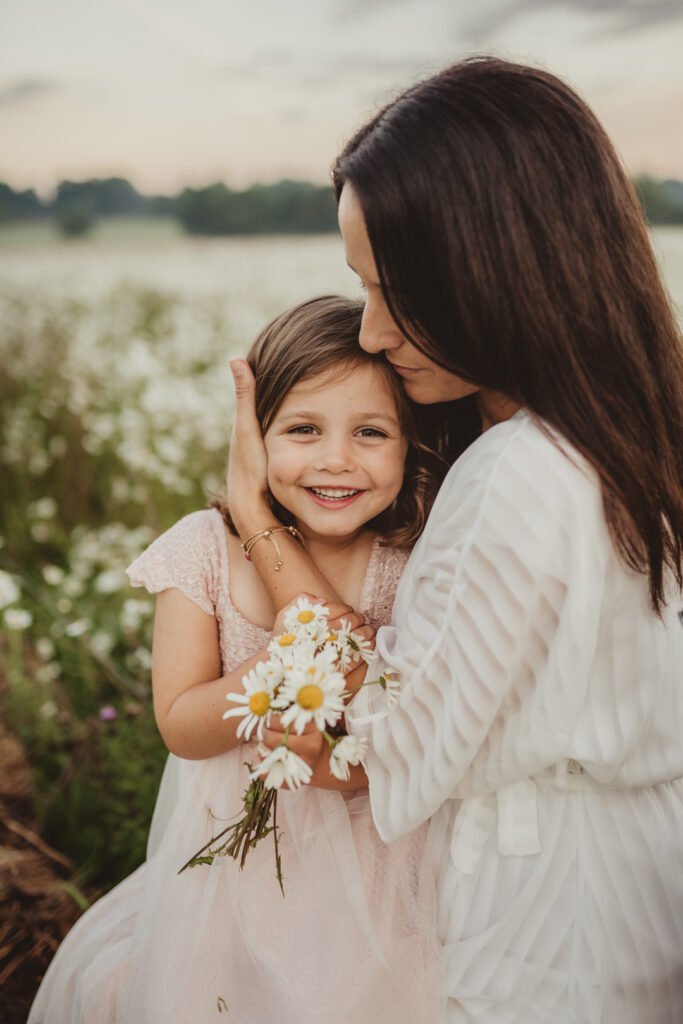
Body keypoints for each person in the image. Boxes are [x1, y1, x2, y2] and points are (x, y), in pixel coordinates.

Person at [226, 59, 683, 1022]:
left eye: (397, 290)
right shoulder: (625, 433)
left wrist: (257, 519)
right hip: (625, 887)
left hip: (536, 927)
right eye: (361, 288)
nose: (375, 331)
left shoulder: (517, 473)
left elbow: (379, 750)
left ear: (500, 266)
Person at [28, 295, 447, 1024]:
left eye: (371, 432)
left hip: (378, 866)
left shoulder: (407, 560)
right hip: (229, 865)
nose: (335, 460)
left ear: (410, 447)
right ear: (252, 439)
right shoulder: (203, 551)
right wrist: (269, 676)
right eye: (303, 429)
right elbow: (180, 723)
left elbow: (380, 709)